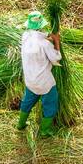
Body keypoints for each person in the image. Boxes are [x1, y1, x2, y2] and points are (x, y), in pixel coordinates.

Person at [17, 10, 61, 138]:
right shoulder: (44, 44)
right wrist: (56, 41)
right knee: (50, 104)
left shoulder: (25, 37)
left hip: (30, 80)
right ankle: (44, 131)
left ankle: (21, 124)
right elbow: (56, 59)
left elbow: (37, 35)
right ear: (41, 25)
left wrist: (49, 35)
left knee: (27, 102)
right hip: (44, 82)